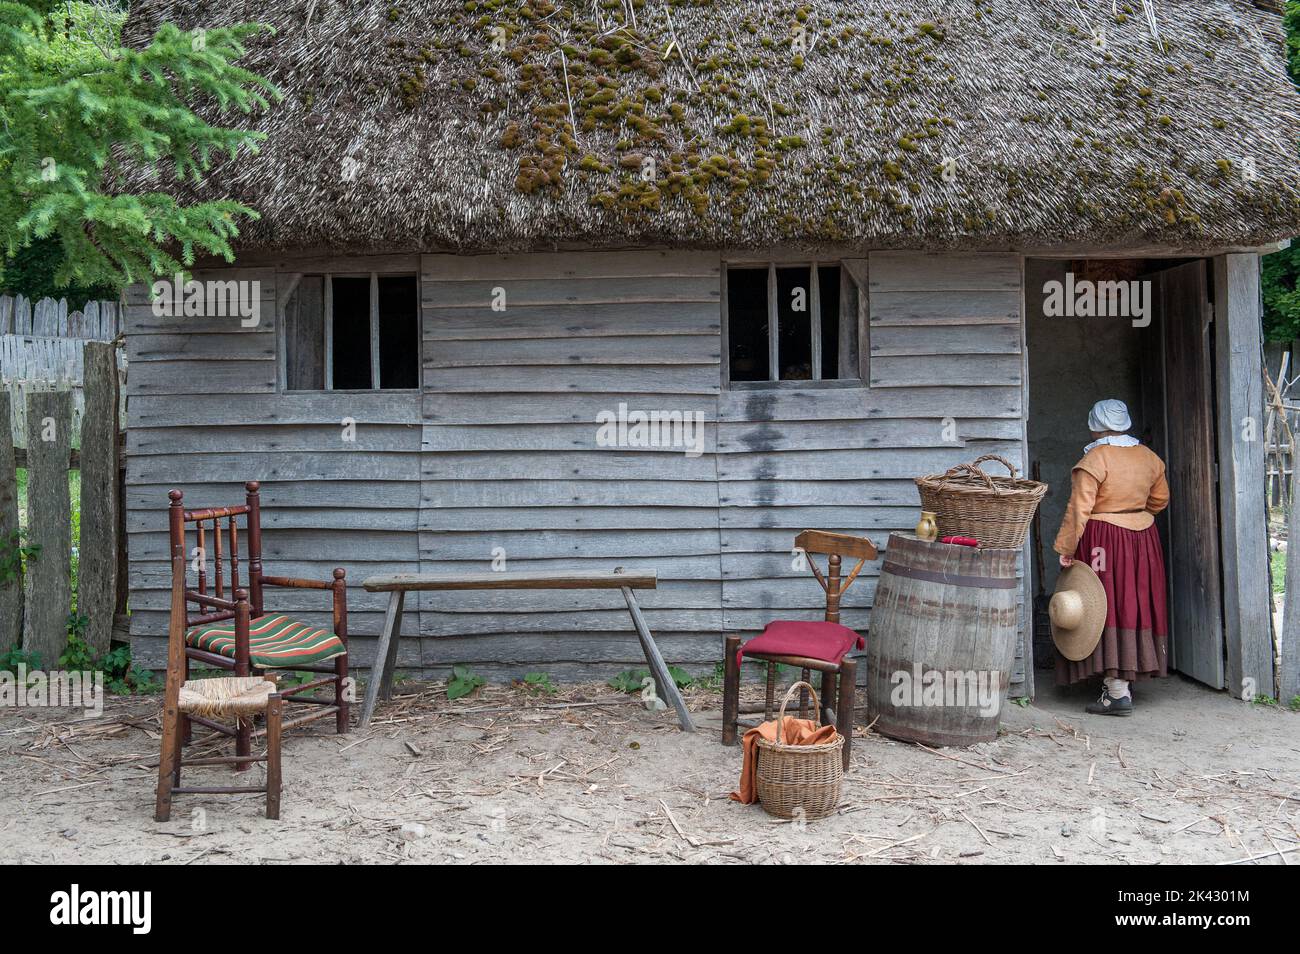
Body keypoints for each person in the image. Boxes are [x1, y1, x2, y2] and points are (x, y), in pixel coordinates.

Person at [1053, 399, 1170, 716]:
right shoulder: (1149, 457)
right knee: (1132, 600)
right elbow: (1160, 500)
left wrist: (1067, 548)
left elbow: (1079, 508)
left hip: (1102, 542)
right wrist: (1135, 515)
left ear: (1095, 424)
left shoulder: (1094, 459)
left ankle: (1116, 691)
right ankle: (1122, 682)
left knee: (1104, 600)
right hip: (1143, 540)